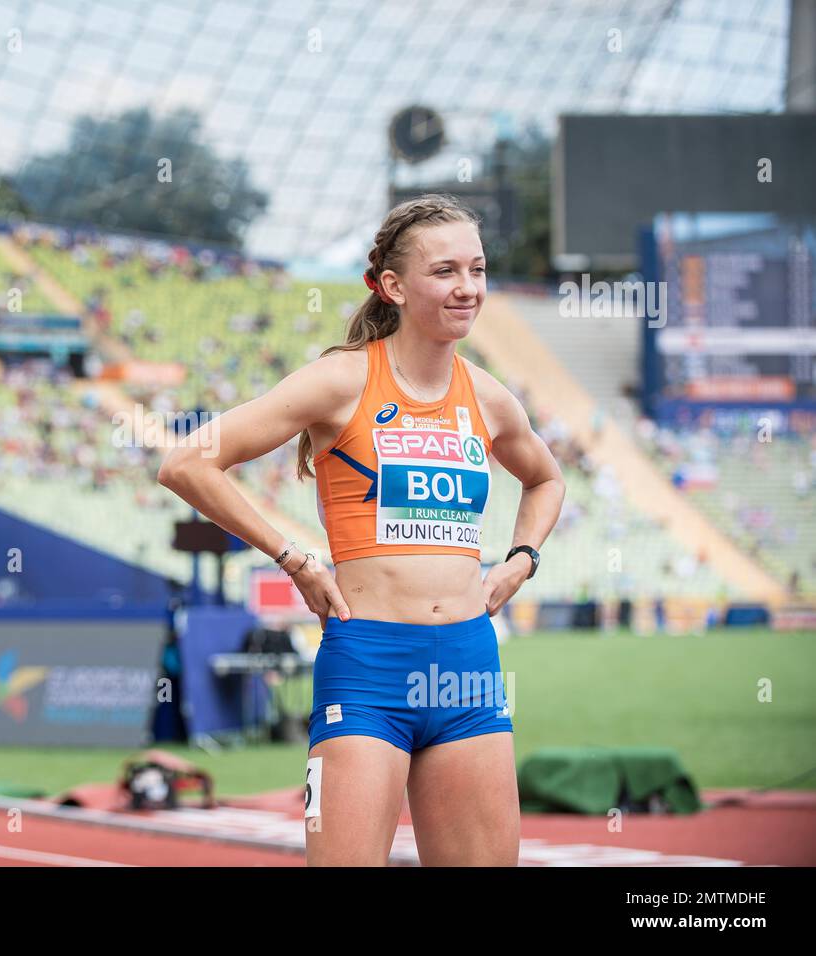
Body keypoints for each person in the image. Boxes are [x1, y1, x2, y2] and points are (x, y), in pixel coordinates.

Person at [158, 194, 564, 866]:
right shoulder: (342, 380)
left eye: (478, 269)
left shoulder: (489, 397)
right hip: (369, 668)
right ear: (394, 286)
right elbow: (186, 462)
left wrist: (522, 558)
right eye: (445, 272)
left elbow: (547, 480)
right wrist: (294, 559)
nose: (467, 288)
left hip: (467, 670)